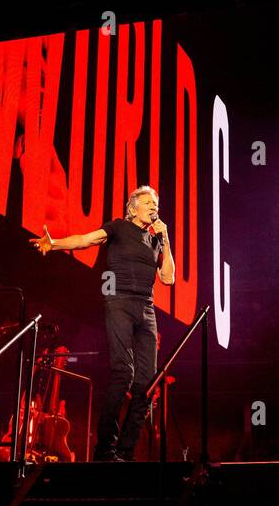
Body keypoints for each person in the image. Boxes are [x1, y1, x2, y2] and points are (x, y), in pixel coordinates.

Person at [30, 186, 174, 461]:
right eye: (147, 202)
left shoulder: (156, 239)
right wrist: (55, 243)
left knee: (147, 383)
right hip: (119, 301)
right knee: (124, 373)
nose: (153, 206)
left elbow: (168, 278)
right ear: (133, 207)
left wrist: (165, 238)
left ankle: (125, 452)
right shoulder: (119, 227)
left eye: (156, 203)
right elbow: (86, 240)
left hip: (147, 309)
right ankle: (105, 450)